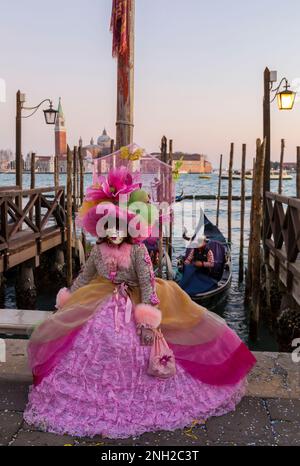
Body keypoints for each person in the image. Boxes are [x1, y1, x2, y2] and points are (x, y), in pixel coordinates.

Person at [24, 166, 256, 439]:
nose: (113, 231)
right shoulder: (97, 251)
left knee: (140, 343)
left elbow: (147, 284)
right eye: (108, 226)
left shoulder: (137, 251)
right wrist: (67, 300)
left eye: (119, 226)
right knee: (94, 341)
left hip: (136, 301)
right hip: (101, 299)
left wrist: (147, 321)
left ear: (128, 228)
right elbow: (84, 278)